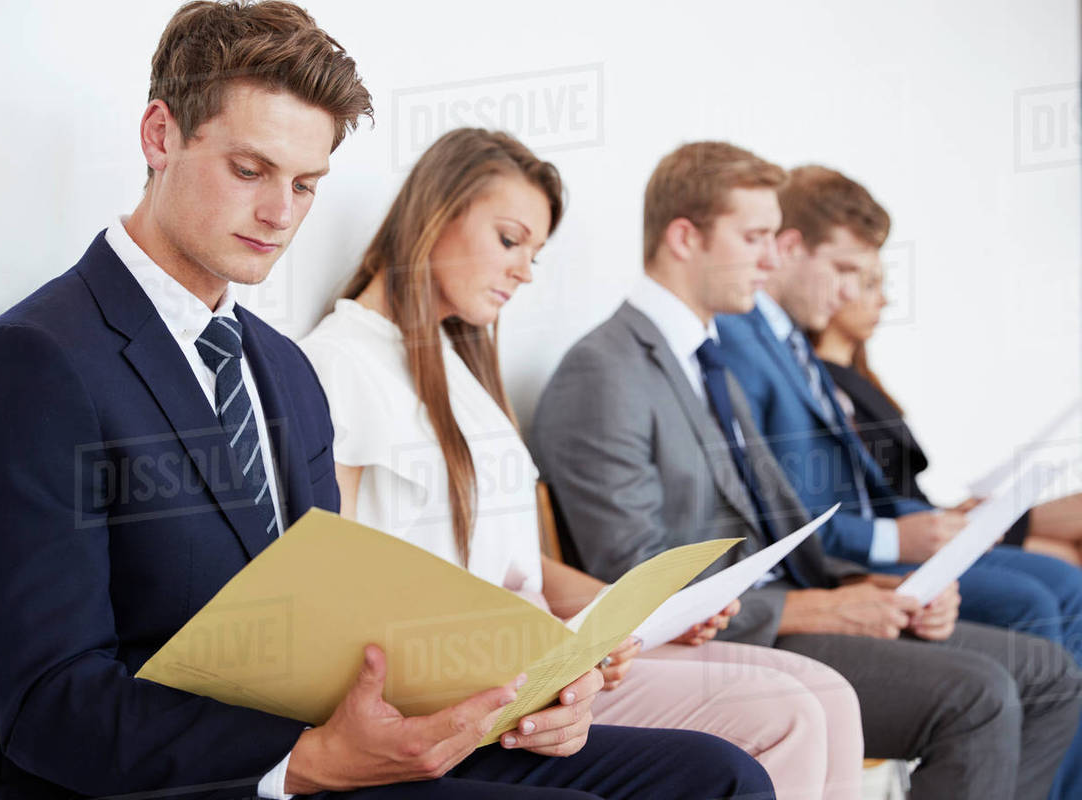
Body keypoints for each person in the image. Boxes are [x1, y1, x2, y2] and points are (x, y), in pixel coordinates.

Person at [0, 5, 774, 800]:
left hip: (342, 745)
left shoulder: (282, 370)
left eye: (306, 184)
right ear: (160, 136)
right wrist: (303, 759)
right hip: (213, 776)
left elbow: (336, 624)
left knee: (715, 777)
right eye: (250, 169)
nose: (278, 213)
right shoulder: (34, 365)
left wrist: (530, 685)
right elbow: (51, 705)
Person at [300, 127, 862, 800]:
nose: (525, 271)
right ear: (432, 217)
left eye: (534, 253)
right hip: (475, 687)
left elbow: (522, 571)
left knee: (816, 696)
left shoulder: (458, 369)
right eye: (510, 240)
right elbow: (338, 599)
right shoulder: (337, 365)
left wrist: (635, 614)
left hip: (529, 670)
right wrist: (554, 655)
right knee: (784, 711)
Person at [528, 140, 1082, 799]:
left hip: (785, 606)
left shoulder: (704, 360)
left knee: (1048, 674)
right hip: (725, 633)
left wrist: (880, 584)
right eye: (756, 237)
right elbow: (631, 574)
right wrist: (820, 609)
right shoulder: (606, 369)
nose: (771, 259)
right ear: (685, 237)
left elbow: (785, 523)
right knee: (979, 695)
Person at [714, 161, 1082, 798]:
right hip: (825, 568)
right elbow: (781, 508)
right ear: (792, 249)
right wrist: (891, 544)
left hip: (857, 549)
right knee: (1037, 601)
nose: (852, 294)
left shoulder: (789, 347)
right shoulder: (745, 343)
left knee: (1054, 587)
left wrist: (923, 528)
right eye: (848, 272)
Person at [813, 257, 1082, 567]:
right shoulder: (822, 387)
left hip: (933, 519)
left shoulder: (862, 381)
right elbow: (870, 497)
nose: (884, 301)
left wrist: (952, 513)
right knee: (1069, 556)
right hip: (916, 531)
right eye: (870, 286)